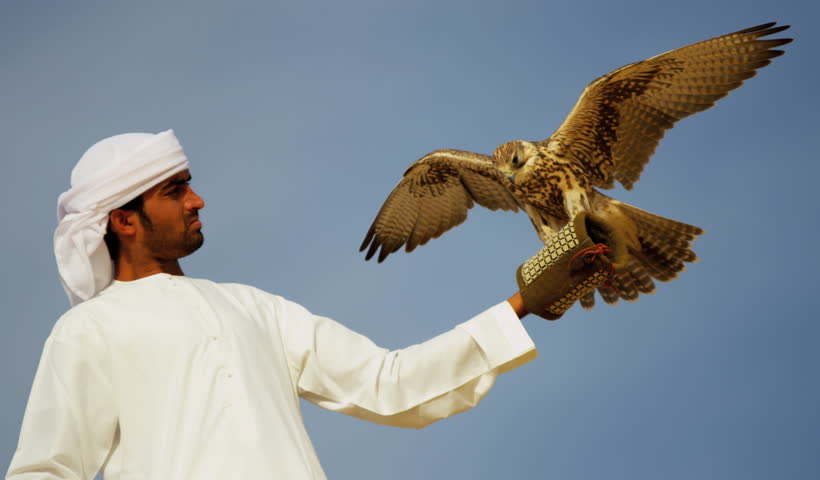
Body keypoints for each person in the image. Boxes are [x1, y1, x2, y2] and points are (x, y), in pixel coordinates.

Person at [6, 130, 622, 480]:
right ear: (124, 220)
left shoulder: (254, 309)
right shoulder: (88, 331)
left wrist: (522, 301)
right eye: (175, 190)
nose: (197, 200)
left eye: (189, 184)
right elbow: (45, 471)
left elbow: (390, 384)